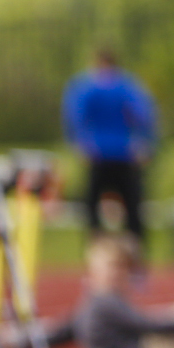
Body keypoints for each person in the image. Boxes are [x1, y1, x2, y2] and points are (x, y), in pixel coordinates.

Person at [62, 49, 157, 254]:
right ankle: (133, 251)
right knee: (132, 207)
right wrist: (143, 142)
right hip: (124, 153)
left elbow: (74, 116)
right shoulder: (127, 85)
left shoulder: (86, 85)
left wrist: (80, 143)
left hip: (98, 154)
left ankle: (95, 250)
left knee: (93, 206)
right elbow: (144, 115)